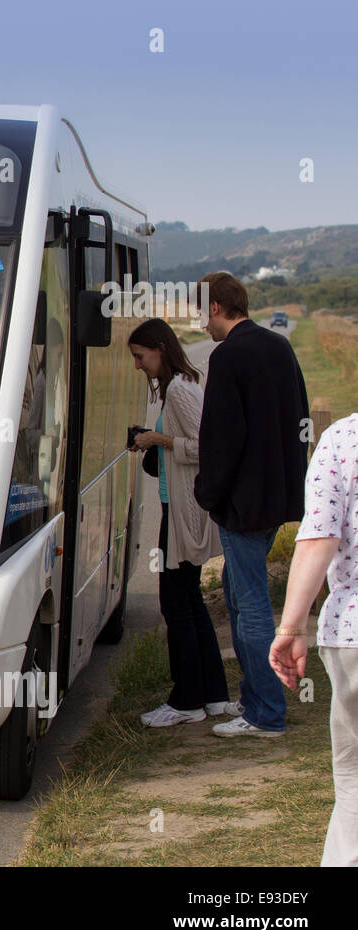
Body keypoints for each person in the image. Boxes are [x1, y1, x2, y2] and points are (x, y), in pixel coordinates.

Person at [193, 272, 310, 738]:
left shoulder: (228, 357)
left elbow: (221, 438)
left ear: (217, 308)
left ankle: (266, 713)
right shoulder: (278, 346)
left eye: (202, 312)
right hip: (277, 495)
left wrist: (208, 492)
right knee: (238, 591)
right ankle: (253, 696)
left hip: (243, 502)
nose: (201, 323)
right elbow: (300, 418)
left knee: (253, 605)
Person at [127, 318, 229, 727]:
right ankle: (214, 695)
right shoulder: (180, 386)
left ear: (160, 349)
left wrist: (158, 440)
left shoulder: (180, 389)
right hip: (180, 508)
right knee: (189, 602)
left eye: (140, 356)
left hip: (184, 513)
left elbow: (209, 446)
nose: (138, 366)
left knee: (177, 604)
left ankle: (186, 700)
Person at [271, 414, 358, 865]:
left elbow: (319, 537)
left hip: (352, 636)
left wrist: (291, 626)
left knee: (354, 784)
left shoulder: (343, 439)